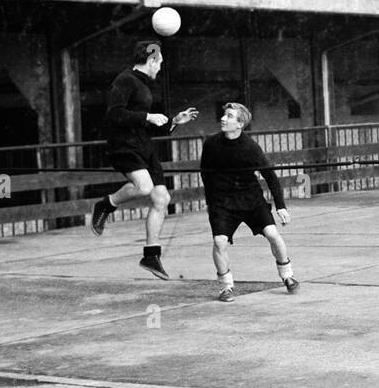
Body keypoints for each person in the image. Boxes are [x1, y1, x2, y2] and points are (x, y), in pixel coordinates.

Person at [89, 41, 198, 279]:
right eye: (159, 64)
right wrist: (147, 116)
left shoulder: (144, 85)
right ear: (151, 61)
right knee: (144, 187)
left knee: (162, 198)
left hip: (142, 144)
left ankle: (150, 254)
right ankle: (106, 204)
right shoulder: (125, 80)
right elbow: (114, 114)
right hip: (124, 145)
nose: (160, 68)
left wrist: (173, 122)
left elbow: (145, 123)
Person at [200, 102, 300, 301]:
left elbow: (270, 176)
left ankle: (287, 275)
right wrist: (211, 203)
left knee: (273, 234)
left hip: (251, 199)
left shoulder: (251, 147)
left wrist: (281, 206)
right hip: (223, 202)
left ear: (240, 124)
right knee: (219, 242)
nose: (223, 118)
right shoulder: (210, 145)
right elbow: (206, 175)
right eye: (224, 115)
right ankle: (226, 287)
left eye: (229, 116)